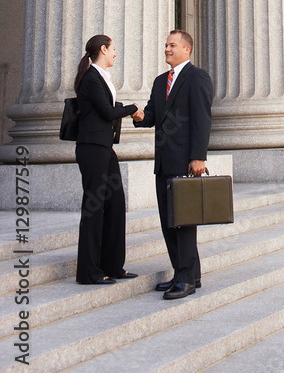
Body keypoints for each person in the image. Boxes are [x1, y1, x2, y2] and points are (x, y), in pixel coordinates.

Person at [133, 29, 213, 300]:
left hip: (185, 162)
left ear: (186, 49)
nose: (167, 49)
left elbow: (202, 119)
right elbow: (152, 116)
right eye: (166, 45)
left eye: (172, 45)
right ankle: (187, 273)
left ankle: (185, 280)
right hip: (163, 163)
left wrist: (198, 156)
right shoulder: (160, 82)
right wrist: (138, 116)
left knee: (184, 222)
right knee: (169, 222)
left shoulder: (197, 77)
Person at [74, 34, 143, 285]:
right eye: (113, 49)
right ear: (103, 49)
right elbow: (107, 112)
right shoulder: (92, 77)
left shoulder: (102, 77)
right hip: (92, 148)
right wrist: (132, 109)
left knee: (115, 203)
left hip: (104, 147)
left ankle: (113, 266)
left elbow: (106, 109)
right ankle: (89, 272)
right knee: (94, 208)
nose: (115, 53)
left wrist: (126, 108)